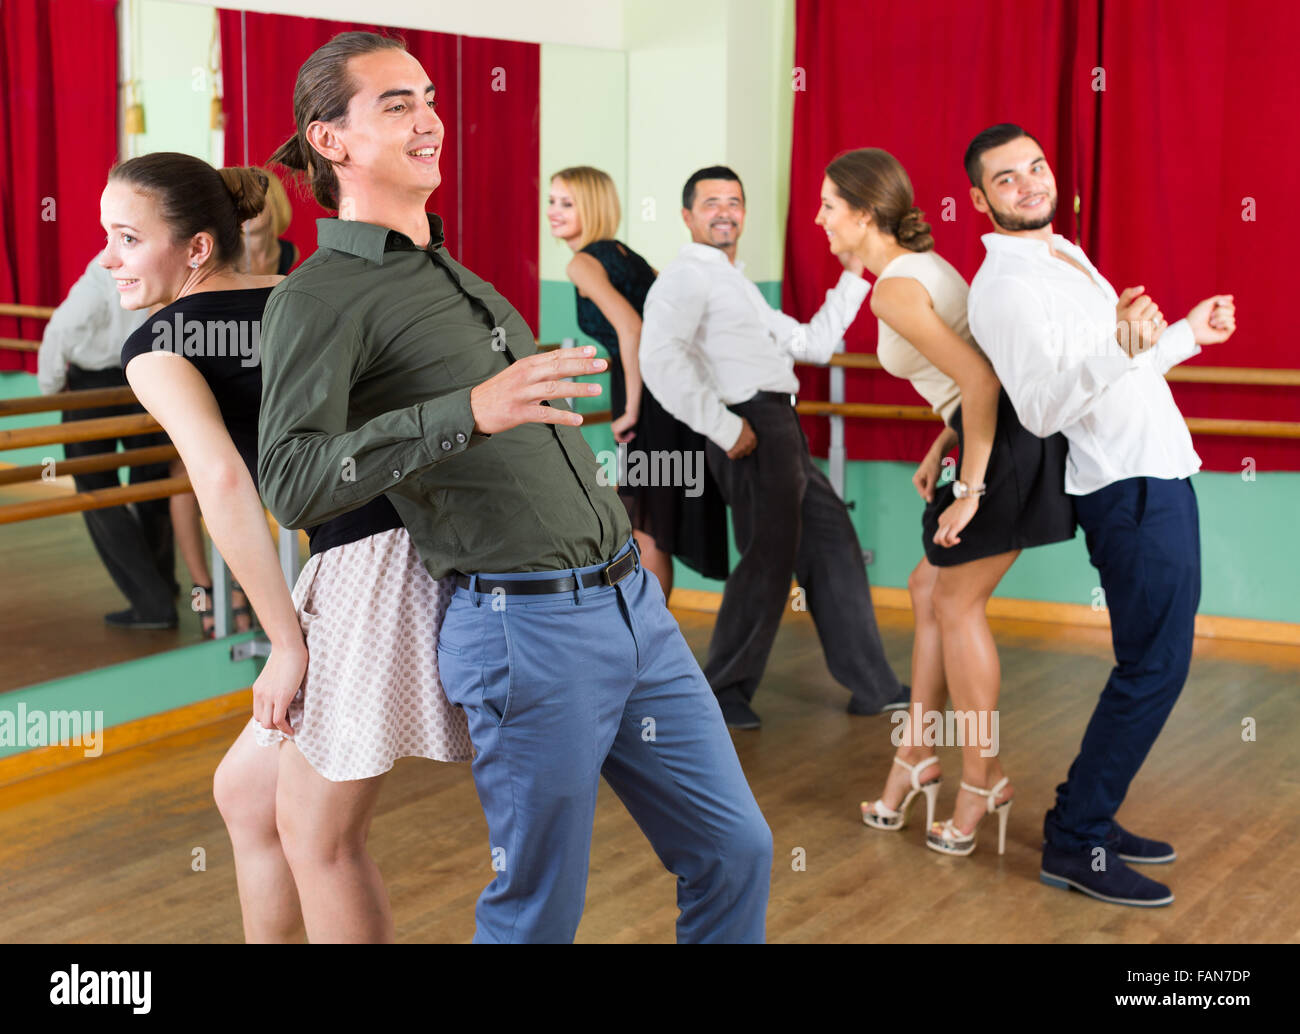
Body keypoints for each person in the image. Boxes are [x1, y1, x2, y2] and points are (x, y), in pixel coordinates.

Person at [257, 31, 771, 944]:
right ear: (329, 140)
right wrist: (470, 408)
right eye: (396, 104)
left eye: (427, 97)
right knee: (537, 912)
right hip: (526, 631)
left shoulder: (448, 267)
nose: (429, 119)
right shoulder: (319, 295)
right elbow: (292, 480)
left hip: (631, 604)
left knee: (738, 850)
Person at [101, 150, 471, 943]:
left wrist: (283, 643)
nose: (108, 259)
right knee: (245, 793)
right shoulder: (305, 292)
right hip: (420, 537)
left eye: (128, 239)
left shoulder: (161, 345)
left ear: (197, 248)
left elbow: (225, 486)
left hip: (370, 561)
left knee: (323, 839)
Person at [963, 123, 1235, 904]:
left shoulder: (1064, 255)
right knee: (1155, 667)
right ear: (980, 200)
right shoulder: (1005, 286)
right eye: (1006, 179)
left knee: (1151, 663)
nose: (1029, 183)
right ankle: (1076, 839)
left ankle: (1086, 816)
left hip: (1156, 474)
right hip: (1127, 489)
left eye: (1036, 167)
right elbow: (1043, 408)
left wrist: (1183, 334)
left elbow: (1121, 368)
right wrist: (1121, 345)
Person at [813, 148, 1076, 855]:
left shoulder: (895, 289)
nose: (819, 219)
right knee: (926, 586)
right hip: (990, 434)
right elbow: (966, 376)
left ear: (865, 215)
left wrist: (970, 487)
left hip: (1007, 446)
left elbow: (983, 384)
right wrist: (944, 443)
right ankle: (914, 756)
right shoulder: (919, 271)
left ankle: (981, 775)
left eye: (829, 207)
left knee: (955, 605)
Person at [639, 165, 908, 730]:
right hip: (751, 426)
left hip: (780, 428)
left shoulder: (735, 283)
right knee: (768, 556)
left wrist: (856, 274)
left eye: (734, 201)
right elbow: (659, 360)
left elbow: (811, 344)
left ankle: (873, 685)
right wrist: (723, 426)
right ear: (687, 216)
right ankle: (724, 690)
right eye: (711, 202)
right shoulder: (687, 277)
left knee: (832, 541)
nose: (725, 211)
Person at [548, 165, 729, 595]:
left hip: (646, 396)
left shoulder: (583, 262)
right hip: (669, 389)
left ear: (592, 207)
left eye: (566, 203)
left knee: (644, 526)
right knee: (647, 523)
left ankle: (651, 644)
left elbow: (633, 330)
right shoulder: (624, 254)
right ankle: (651, 641)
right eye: (552, 202)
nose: (553, 212)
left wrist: (630, 408)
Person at [37, 253, 177, 630]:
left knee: (97, 494)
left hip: (93, 391)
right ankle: (164, 588)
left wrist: (51, 387)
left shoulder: (100, 276)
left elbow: (60, 330)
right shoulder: (154, 261)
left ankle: (153, 604)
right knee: (153, 487)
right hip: (144, 379)